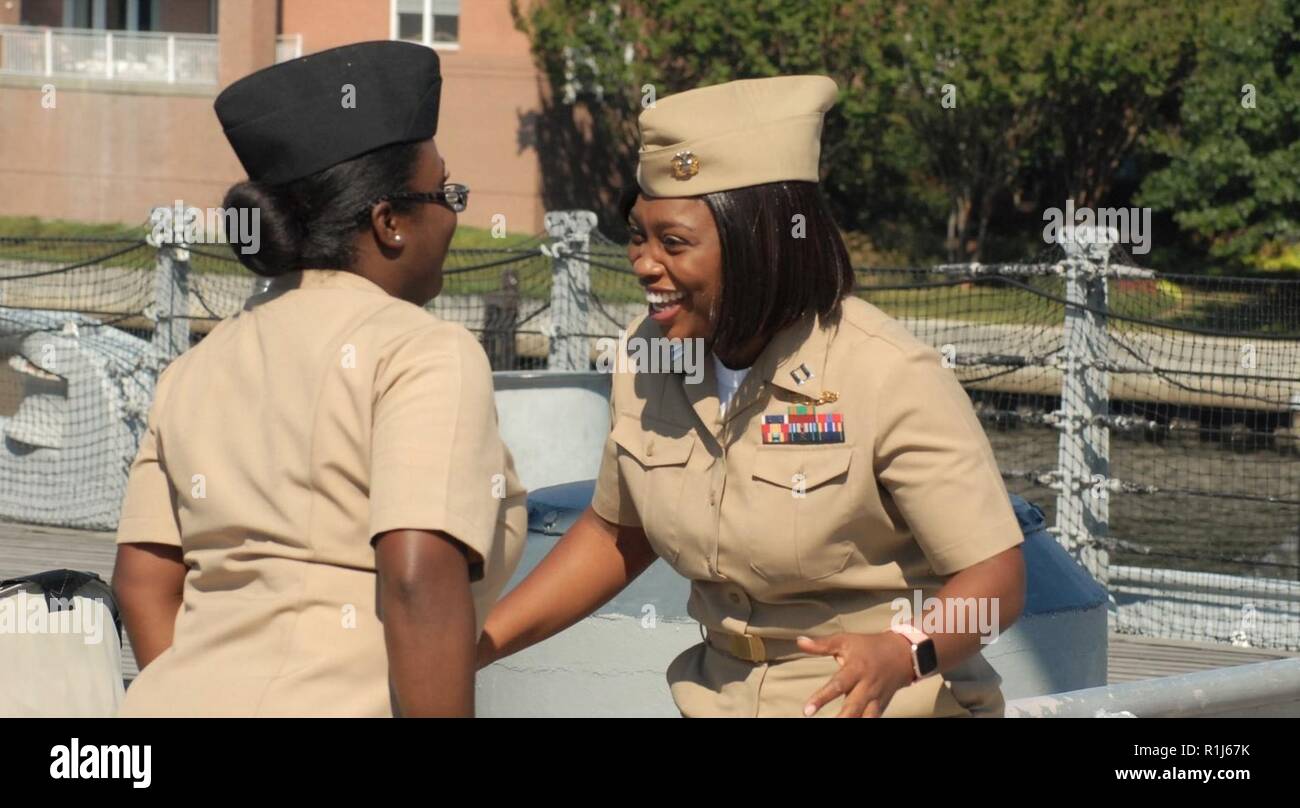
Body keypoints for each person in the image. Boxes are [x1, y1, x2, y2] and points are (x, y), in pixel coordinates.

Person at [477, 75, 1026, 717]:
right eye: (638, 235)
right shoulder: (649, 356)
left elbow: (999, 581)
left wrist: (904, 651)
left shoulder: (888, 373)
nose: (644, 263)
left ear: (759, 244)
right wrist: (474, 644)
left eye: (673, 243)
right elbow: (616, 535)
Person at [111, 41, 525, 717]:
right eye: (445, 191)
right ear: (390, 222)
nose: (456, 212)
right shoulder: (424, 353)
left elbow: (142, 581)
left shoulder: (193, 368)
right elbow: (418, 578)